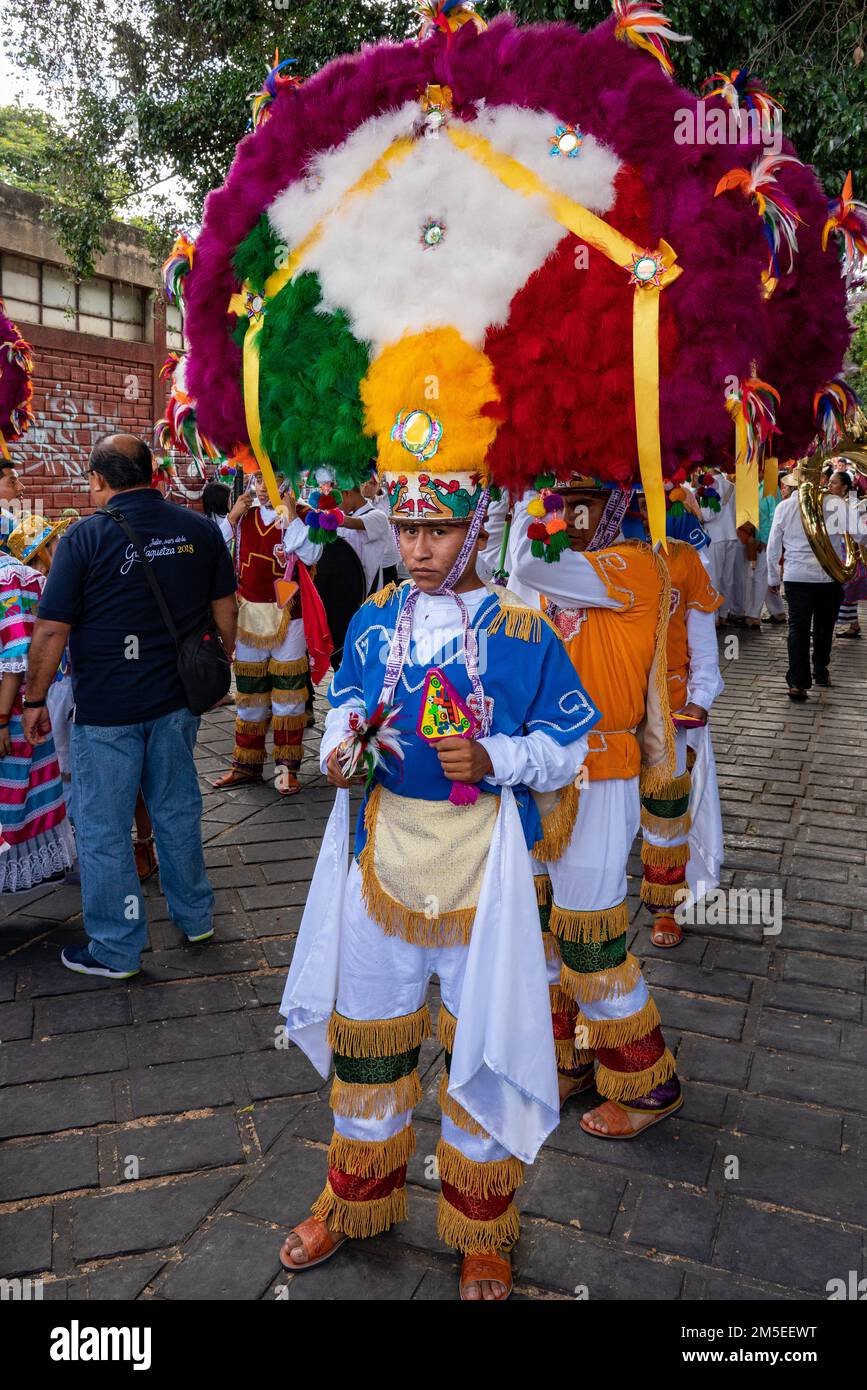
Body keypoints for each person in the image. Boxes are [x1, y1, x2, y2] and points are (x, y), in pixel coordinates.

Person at [280, 475, 599, 1301]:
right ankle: (353, 1198)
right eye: (409, 529)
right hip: (382, 854)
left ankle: (481, 1225)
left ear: (478, 526)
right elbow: (344, 706)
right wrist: (336, 750)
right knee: (371, 1037)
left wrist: (498, 760)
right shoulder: (374, 617)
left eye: (440, 531)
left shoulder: (524, 631)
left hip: (482, 869)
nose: (419, 550)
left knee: (481, 1047)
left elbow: (569, 743)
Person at [22, 434, 237, 979]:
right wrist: (214, 668)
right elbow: (225, 612)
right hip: (175, 704)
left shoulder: (83, 538)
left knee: (104, 827)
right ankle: (195, 917)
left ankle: (117, 947)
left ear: (98, 480)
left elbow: (50, 631)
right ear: (150, 473)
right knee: (177, 810)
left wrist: (33, 698)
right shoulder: (198, 529)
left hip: (108, 711)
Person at [510, 480, 684, 1137]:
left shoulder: (634, 563)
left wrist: (529, 490)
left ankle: (647, 1081)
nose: (565, 508)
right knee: (545, 932)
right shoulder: (577, 564)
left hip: (596, 773)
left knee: (589, 937)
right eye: (559, 496)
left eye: (578, 497)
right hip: (535, 771)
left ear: (615, 503)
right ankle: (575, 1056)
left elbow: (530, 563)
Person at [630, 491, 724, 948]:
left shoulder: (684, 557)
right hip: (605, 701)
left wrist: (702, 696)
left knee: (667, 808)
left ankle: (666, 905)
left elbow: (703, 639)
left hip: (671, 704)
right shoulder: (588, 552)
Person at [215, 468, 322, 796]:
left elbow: (312, 554)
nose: (265, 488)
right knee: (249, 694)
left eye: (275, 480)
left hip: (290, 619)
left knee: (288, 697)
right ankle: (245, 764)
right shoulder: (243, 517)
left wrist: (291, 518)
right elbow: (215, 549)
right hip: (249, 616)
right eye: (260, 479)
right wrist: (231, 518)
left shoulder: (305, 516)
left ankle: (286, 769)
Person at [0, 514, 76, 892]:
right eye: (52, 543)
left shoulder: (24, 581)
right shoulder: (32, 582)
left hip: (41, 693)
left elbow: (18, 654)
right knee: (56, 766)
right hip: (44, 692)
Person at [766, 466, 848, 700]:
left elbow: (774, 546)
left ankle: (798, 683)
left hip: (796, 576)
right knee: (824, 628)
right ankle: (820, 671)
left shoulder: (785, 507)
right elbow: (859, 534)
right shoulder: (833, 504)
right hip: (827, 577)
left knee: (798, 631)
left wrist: (773, 577)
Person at [698, 470, 739, 626]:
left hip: (715, 536)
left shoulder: (709, 485)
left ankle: (714, 616)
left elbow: (708, 516)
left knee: (714, 577)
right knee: (728, 578)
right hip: (731, 535)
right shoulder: (731, 486)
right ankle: (723, 614)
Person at [202, 480, 234, 549]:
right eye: (230, 498)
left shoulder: (203, 522)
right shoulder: (230, 519)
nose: (231, 501)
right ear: (224, 501)